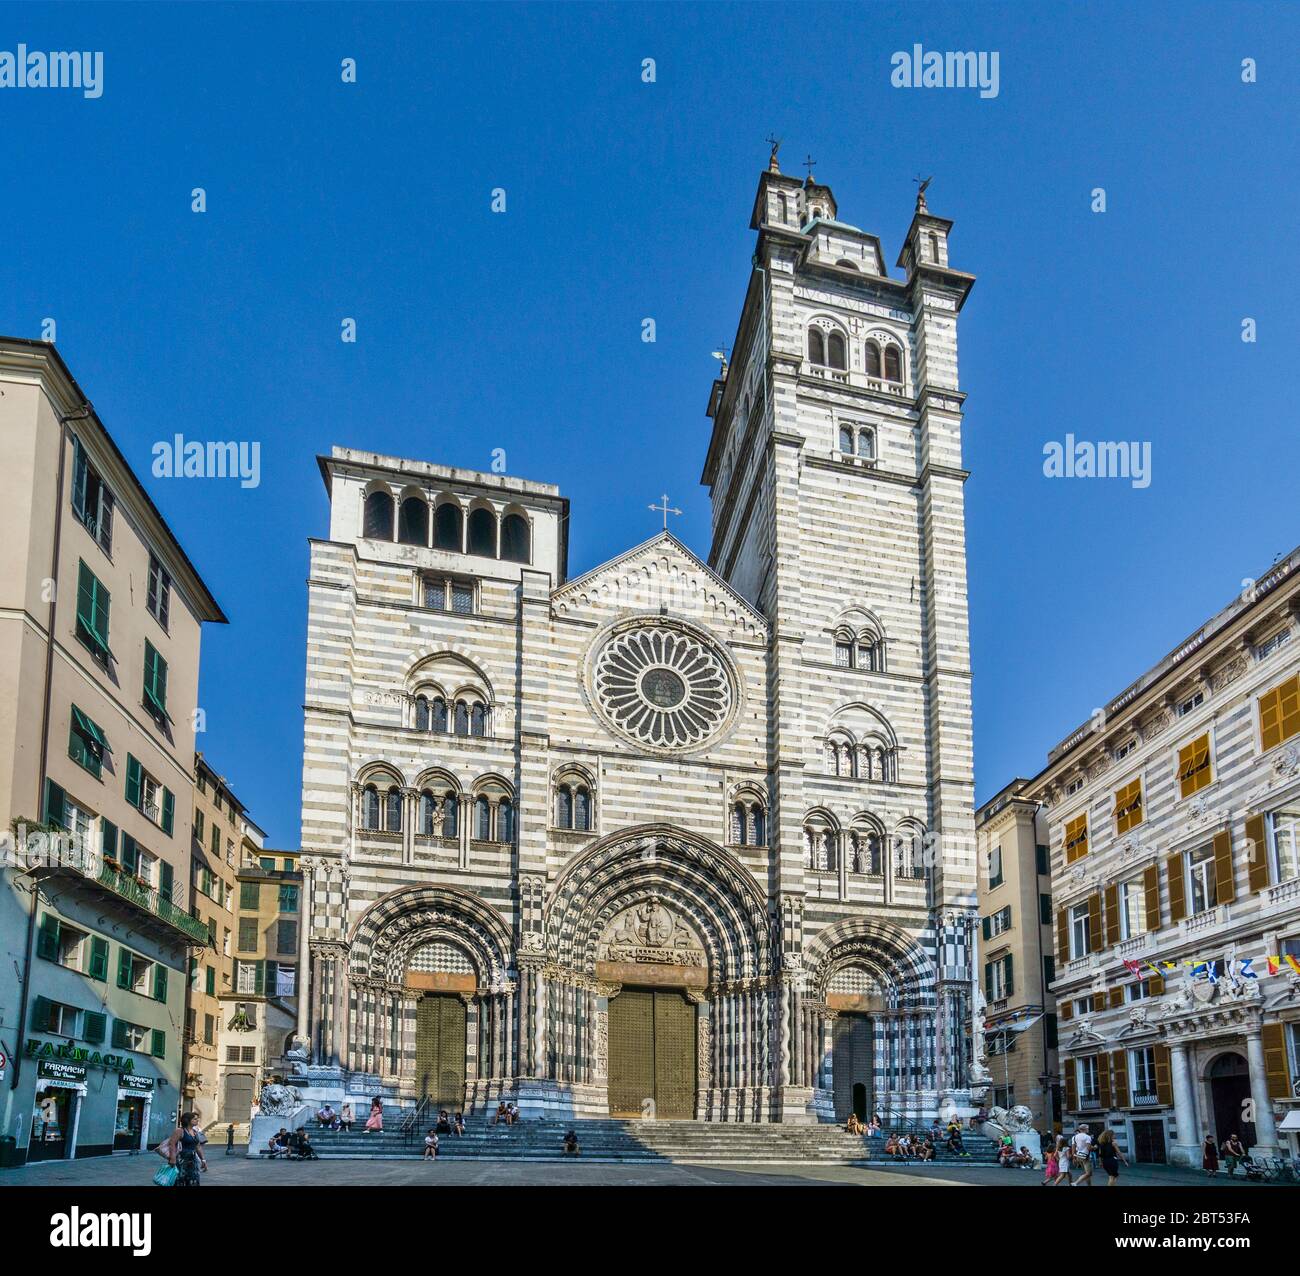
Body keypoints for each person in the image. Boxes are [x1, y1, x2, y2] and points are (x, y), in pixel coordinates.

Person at [159, 1111, 207, 1186]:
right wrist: (172, 1158)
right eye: (194, 1119)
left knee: (193, 1180)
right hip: (181, 1160)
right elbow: (172, 1144)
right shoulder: (180, 1131)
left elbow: (198, 1147)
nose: (197, 1120)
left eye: (197, 1119)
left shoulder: (195, 1132)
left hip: (192, 1161)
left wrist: (203, 1160)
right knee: (180, 1180)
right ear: (188, 1120)